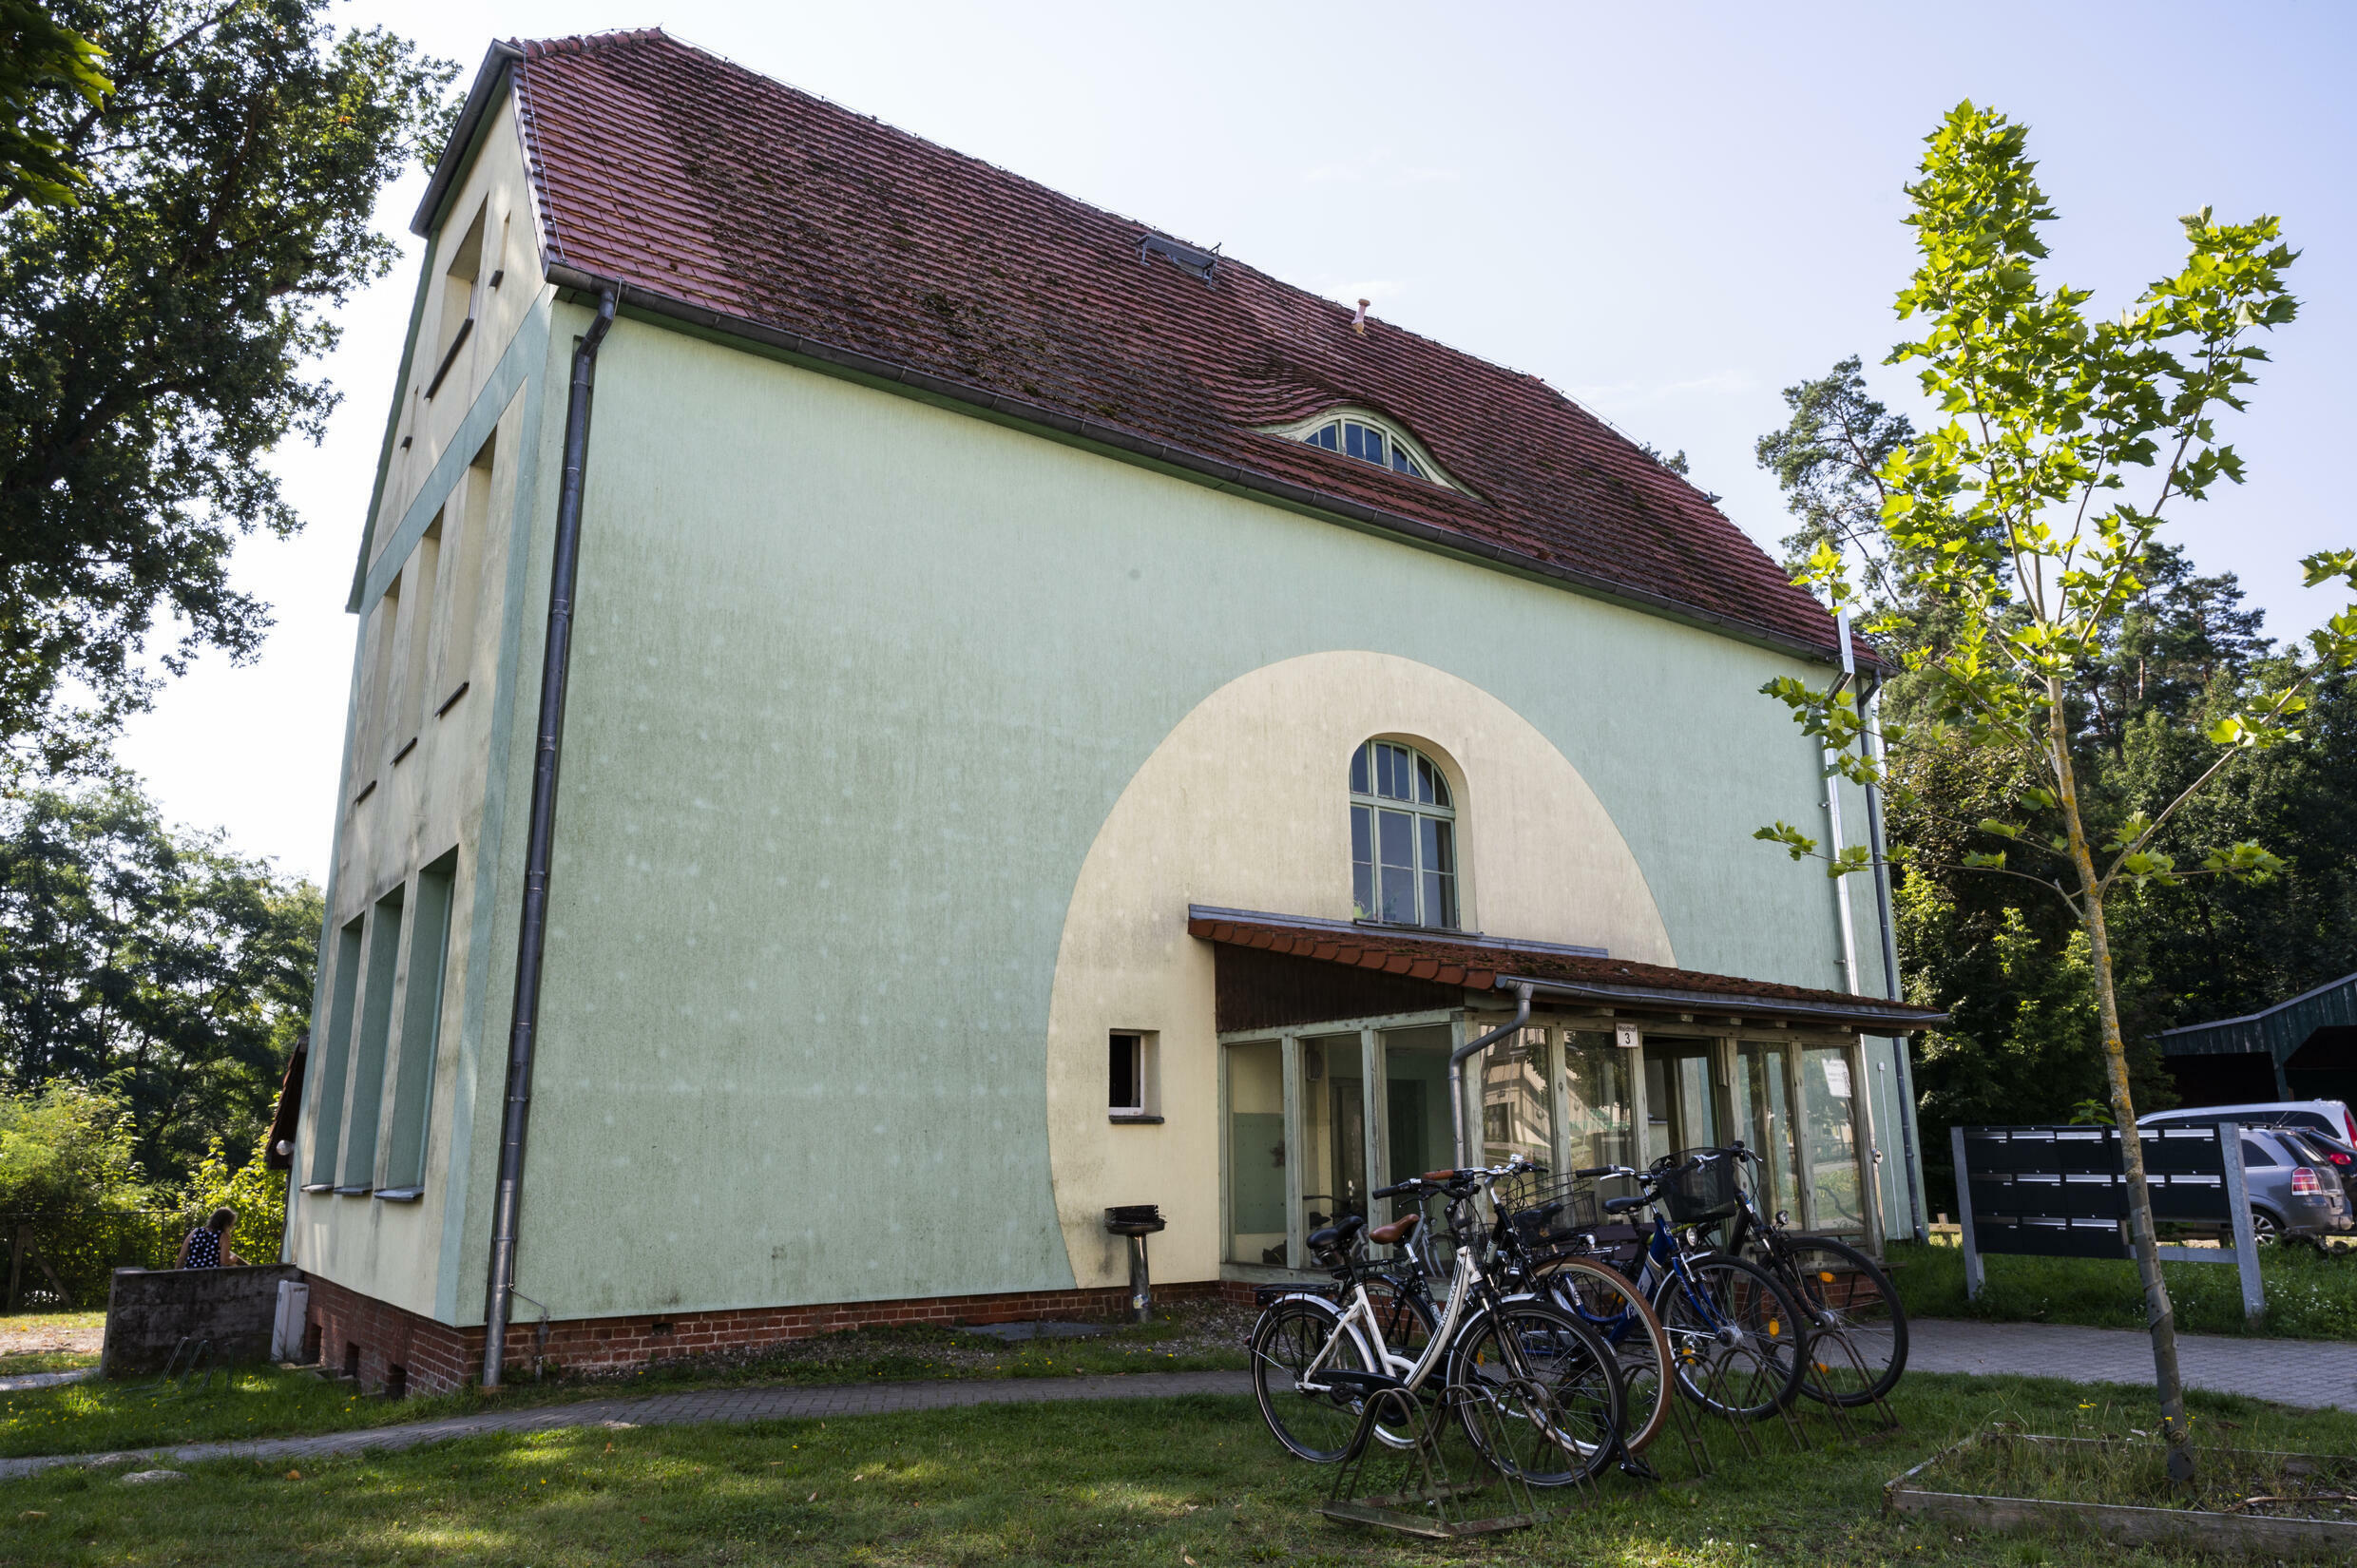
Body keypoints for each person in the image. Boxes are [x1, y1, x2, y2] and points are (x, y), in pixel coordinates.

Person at [175, 1207, 246, 1270]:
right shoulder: (224, 1236)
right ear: (227, 1223)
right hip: (211, 1275)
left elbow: (181, 1257)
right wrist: (232, 1259)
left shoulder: (195, 1232)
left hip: (190, 1272)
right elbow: (224, 1261)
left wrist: (176, 1275)